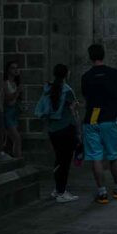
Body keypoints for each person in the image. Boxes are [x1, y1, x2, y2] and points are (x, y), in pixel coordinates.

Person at [81, 43, 117, 205]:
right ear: (104, 55)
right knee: (113, 154)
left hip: (91, 119)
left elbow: (85, 96)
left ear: (90, 57)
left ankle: (102, 192)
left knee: (95, 156)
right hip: (109, 118)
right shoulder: (114, 73)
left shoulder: (86, 76)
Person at [42, 64, 80, 203]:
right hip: (66, 129)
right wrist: (78, 130)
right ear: (66, 74)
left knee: (58, 159)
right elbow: (73, 112)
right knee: (65, 162)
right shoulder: (67, 90)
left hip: (53, 130)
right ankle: (61, 191)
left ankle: (57, 189)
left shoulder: (49, 87)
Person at [2, 61, 23, 159]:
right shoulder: (6, 83)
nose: (15, 70)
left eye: (17, 68)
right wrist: (17, 91)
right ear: (8, 70)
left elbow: (15, 100)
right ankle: (18, 159)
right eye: (13, 68)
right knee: (17, 138)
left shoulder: (15, 83)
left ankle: (10, 157)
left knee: (10, 139)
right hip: (8, 113)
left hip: (14, 112)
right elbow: (7, 99)